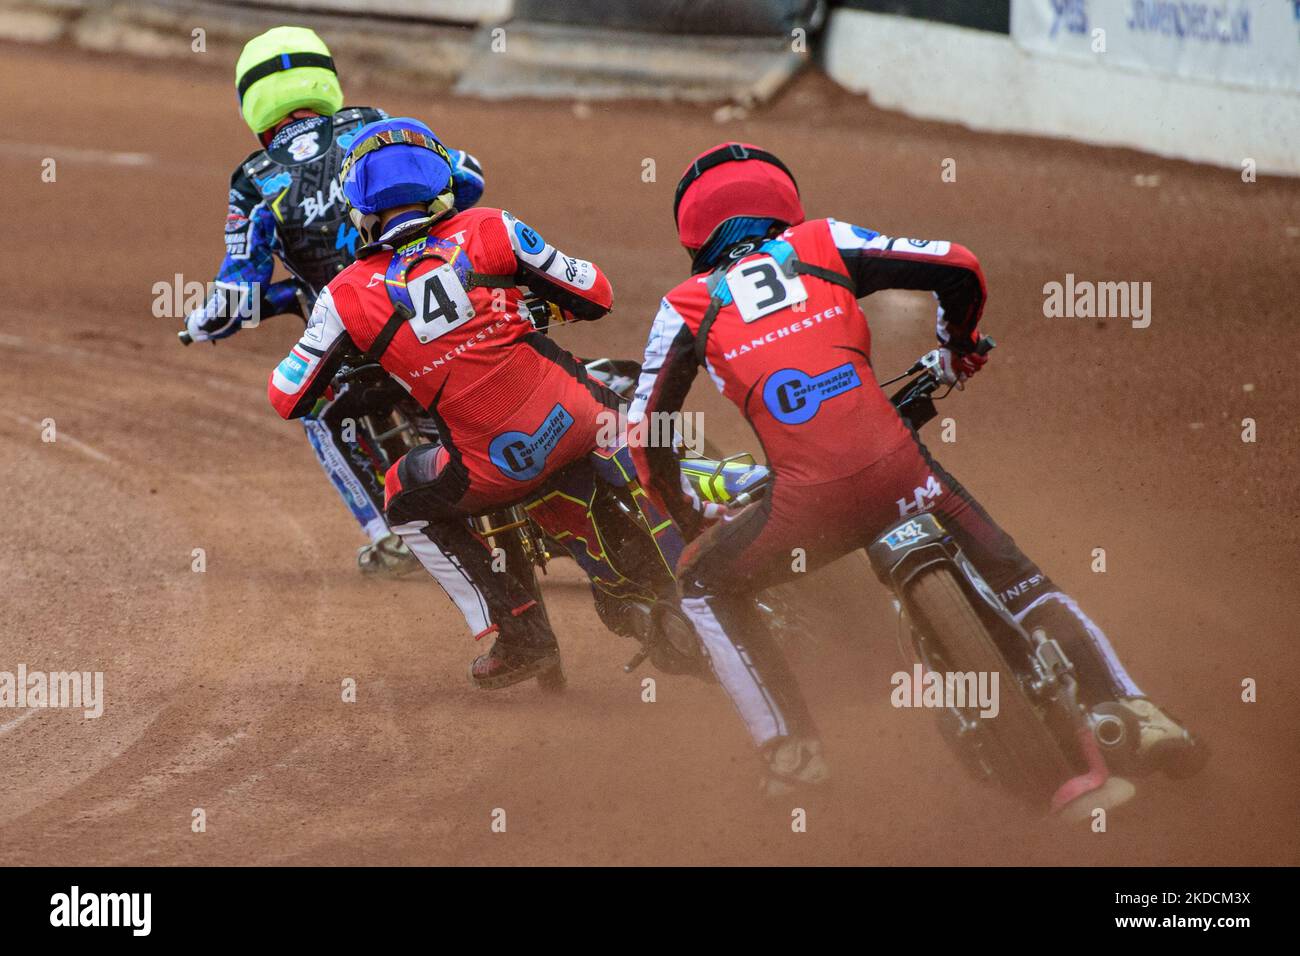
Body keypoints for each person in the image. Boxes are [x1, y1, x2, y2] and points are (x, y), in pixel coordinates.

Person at [628, 141, 1203, 800]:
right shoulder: (824, 242)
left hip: (802, 511)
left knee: (704, 583)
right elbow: (959, 267)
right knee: (1020, 583)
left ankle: (793, 750)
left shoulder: (685, 303)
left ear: (693, 233)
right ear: (782, 203)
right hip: (903, 476)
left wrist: (688, 515)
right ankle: (1131, 706)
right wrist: (956, 348)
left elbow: (648, 435)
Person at [268, 117, 616, 689]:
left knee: (404, 496)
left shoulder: (346, 293)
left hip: (489, 462)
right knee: (628, 408)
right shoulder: (491, 226)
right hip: (585, 416)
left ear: (358, 208)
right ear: (442, 183)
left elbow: (286, 396)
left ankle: (517, 628)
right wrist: (531, 311)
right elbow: (598, 293)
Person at [182, 26, 486, 576]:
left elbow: (239, 290)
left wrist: (202, 321)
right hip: (438, 296)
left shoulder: (254, 181)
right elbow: (468, 178)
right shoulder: (374, 124)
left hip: (358, 331)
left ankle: (390, 536)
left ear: (250, 99)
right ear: (326, 76)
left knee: (319, 410)